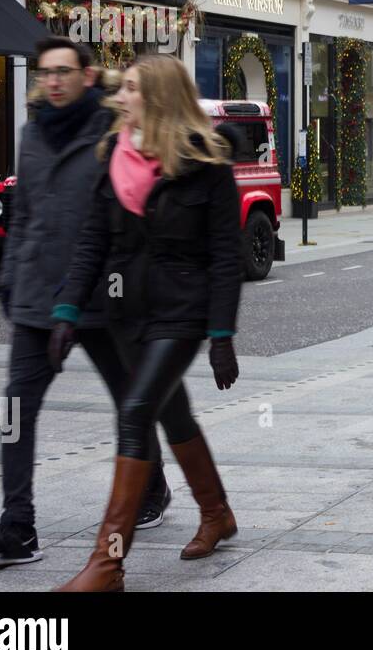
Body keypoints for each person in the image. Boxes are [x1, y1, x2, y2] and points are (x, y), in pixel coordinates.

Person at [0, 37, 172, 568]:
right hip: (36, 298)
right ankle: (17, 527)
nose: (52, 81)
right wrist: (9, 278)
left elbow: (133, 210)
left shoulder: (112, 130)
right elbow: (25, 213)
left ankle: (153, 485)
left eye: (63, 72)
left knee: (132, 403)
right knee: (15, 409)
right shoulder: (31, 133)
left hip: (100, 298)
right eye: (44, 72)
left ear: (84, 75)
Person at [48, 54, 243, 592]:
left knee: (135, 411)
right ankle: (217, 513)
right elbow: (93, 241)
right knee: (171, 412)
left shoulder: (207, 162)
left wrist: (222, 335)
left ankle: (107, 563)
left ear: (156, 95)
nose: (120, 96)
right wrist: (66, 309)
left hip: (182, 313)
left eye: (131, 87)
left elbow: (226, 257)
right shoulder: (113, 155)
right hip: (125, 309)